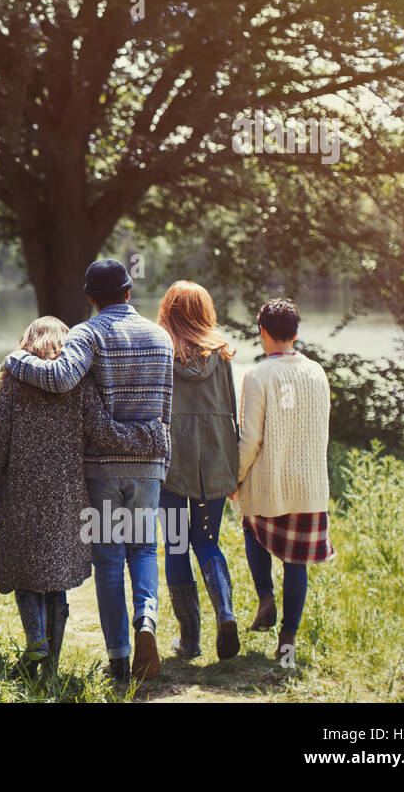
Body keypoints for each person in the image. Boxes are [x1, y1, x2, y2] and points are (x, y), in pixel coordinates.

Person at [0, 316, 169, 685]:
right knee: (55, 576)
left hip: (19, 495)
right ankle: (52, 668)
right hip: (68, 496)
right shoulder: (80, 385)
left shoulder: (13, 386)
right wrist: (149, 436)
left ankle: (36, 639)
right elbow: (104, 432)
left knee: (27, 573)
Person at [1, 259, 173, 684]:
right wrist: (157, 453)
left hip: (102, 467)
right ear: (130, 292)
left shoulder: (89, 333)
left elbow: (59, 379)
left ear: (91, 298)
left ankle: (117, 656)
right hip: (148, 463)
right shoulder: (161, 337)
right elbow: (167, 409)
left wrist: (14, 360)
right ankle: (146, 620)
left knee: (110, 560)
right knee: (145, 550)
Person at [231, 297, 334, 669]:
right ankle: (287, 639)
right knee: (296, 562)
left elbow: (250, 440)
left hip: (269, 483)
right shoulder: (317, 372)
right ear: (296, 331)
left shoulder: (258, 375)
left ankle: (265, 598)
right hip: (309, 486)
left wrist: (235, 478)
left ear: (262, 331)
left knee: (251, 527)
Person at [155, 281, 241, 661]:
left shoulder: (162, 352)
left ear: (168, 311)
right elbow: (232, 412)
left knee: (176, 544)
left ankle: (190, 641)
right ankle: (226, 612)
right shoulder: (222, 355)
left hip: (174, 463)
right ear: (205, 311)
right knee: (206, 540)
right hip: (215, 460)